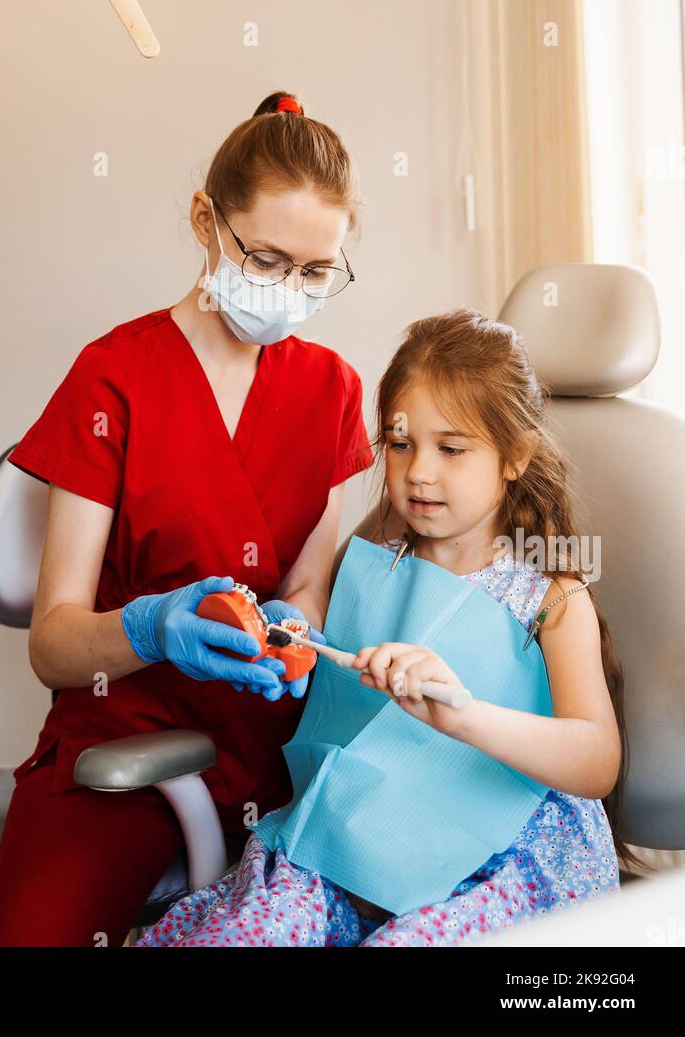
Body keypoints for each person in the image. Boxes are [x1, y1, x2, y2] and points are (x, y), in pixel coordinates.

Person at [0, 91, 375, 946]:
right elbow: (53, 643)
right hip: (127, 739)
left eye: (315, 274)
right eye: (267, 259)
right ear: (206, 220)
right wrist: (153, 628)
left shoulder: (333, 389)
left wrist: (294, 634)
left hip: (281, 749)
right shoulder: (113, 377)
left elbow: (309, 582)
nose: (288, 292)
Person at [136, 308, 653, 947]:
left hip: (501, 851)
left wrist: (463, 714)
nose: (418, 472)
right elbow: (321, 621)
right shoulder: (384, 547)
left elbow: (596, 762)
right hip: (362, 823)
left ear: (515, 456)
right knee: (245, 934)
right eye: (401, 443)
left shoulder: (549, 595)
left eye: (452, 449)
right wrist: (283, 633)